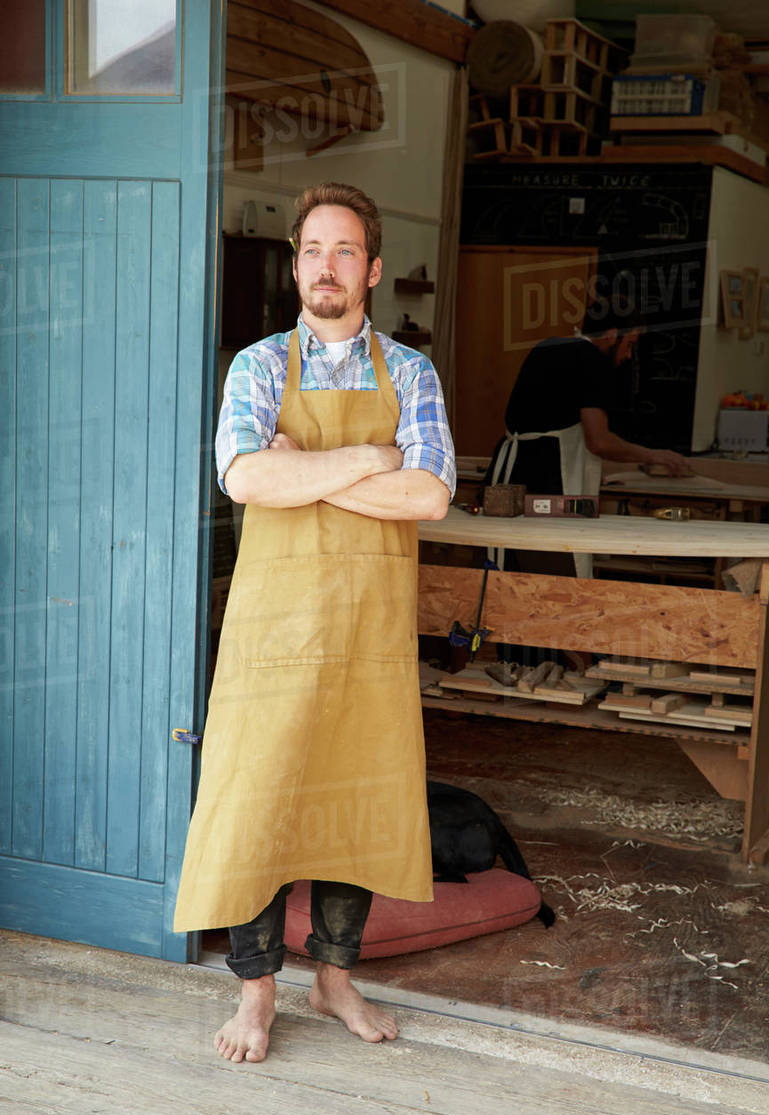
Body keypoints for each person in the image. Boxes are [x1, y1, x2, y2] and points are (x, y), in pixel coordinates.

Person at [173, 182, 455, 1062]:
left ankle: (333, 981)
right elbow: (247, 479)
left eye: (342, 251)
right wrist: (373, 460)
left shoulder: (411, 372)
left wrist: (318, 466)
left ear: (372, 269)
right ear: (295, 265)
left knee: (355, 801)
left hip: (366, 638)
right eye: (310, 251)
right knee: (255, 802)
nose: (323, 267)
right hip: (272, 633)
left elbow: (432, 494)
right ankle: (256, 997)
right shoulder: (257, 366)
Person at [485, 299, 691, 578]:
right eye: (629, 344)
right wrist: (654, 455)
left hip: (508, 475)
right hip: (548, 483)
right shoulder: (593, 360)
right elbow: (599, 441)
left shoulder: (549, 346)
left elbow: (553, 418)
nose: (629, 355)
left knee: (506, 573)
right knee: (555, 577)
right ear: (611, 335)